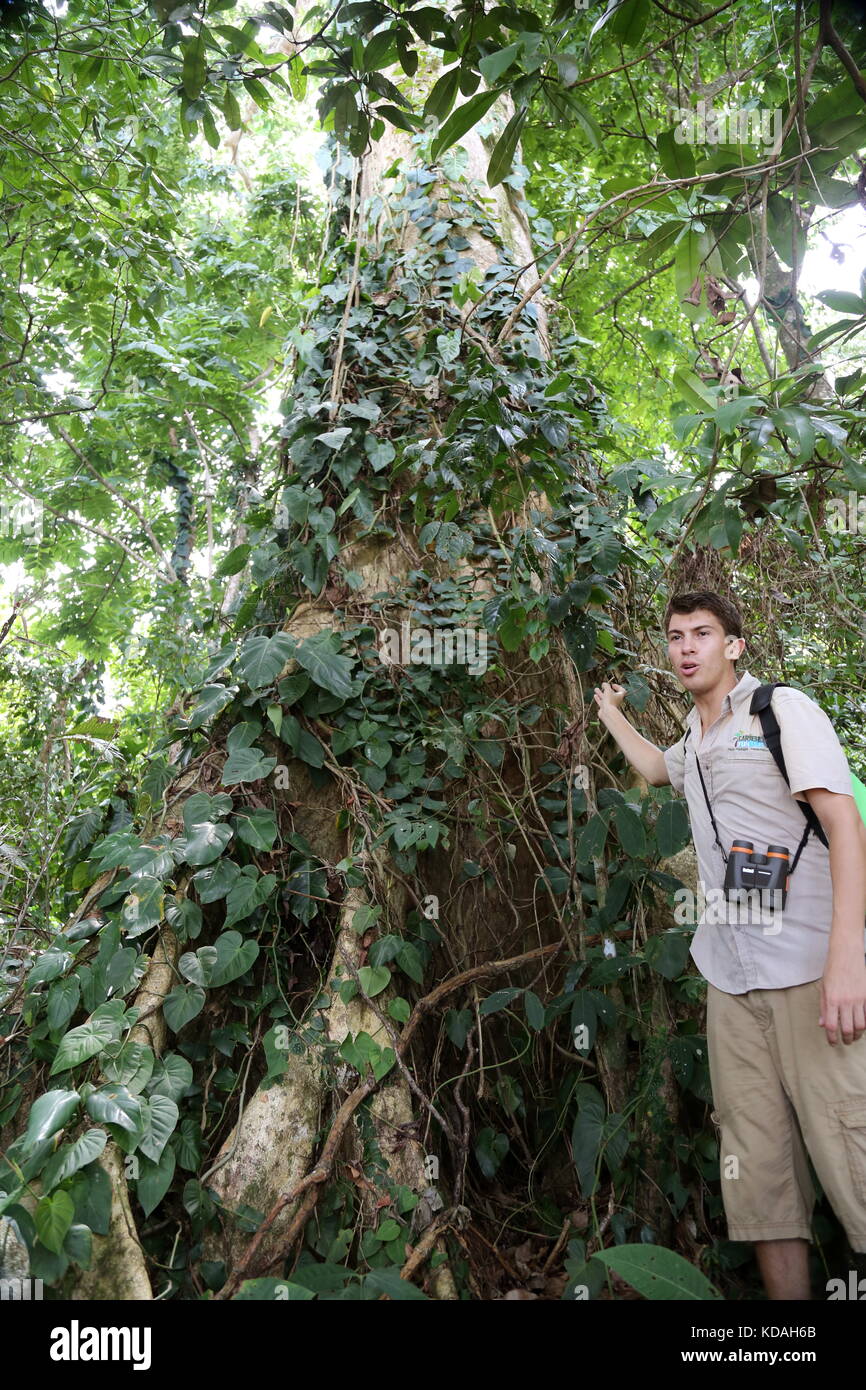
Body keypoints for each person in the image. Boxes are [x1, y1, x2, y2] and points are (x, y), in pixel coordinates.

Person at [593, 589, 866, 1300]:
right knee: (761, 1177)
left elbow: (844, 827)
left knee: (854, 1156)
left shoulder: (781, 713)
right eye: (676, 635)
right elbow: (656, 771)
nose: (686, 647)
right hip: (731, 982)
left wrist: (846, 963)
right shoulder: (695, 741)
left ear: (734, 645)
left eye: (703, 633)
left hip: (810, 971)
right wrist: (610, 713)